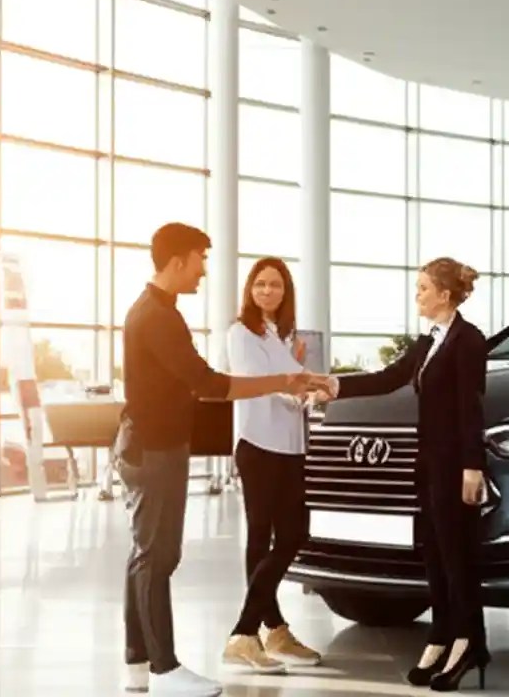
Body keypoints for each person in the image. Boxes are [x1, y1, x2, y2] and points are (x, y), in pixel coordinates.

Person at [118, 223, 328, 696]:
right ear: (178, 261)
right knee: (158, 556)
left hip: (152, 444)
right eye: (200, 260)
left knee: (145, 555)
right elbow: (211, 385)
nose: (203, 271)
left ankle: (138, 661)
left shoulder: (157, 311)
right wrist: (283, 381)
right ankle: (164, 669)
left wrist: (286, 378)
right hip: (154, 448)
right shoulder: (156, 316)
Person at [320, 257, 491, 693]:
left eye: (422, 288)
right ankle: (442, 634)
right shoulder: (428, 342)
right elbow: (387, 378)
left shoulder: (469, 341)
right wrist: (335, 386)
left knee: (457, 557)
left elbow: (472, 408)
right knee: (434, 556)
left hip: (455, 466)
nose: (417, 295)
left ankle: (469, 640)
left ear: (444, 295)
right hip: (428, 466)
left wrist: (473, 467)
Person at [222, 257, 322, 673]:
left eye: (275, 285)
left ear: (285, 292)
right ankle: (246, 634)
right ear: (250, 289)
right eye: (260, 284)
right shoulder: (241, 333)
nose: (267, 291)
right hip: (259, 446)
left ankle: (273, 630)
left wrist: (317, 385)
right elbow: (257, 382)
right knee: (262, 537)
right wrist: (300, 389)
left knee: (295, 533)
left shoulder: (279, 337)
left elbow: (298, 379)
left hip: (289, 448)